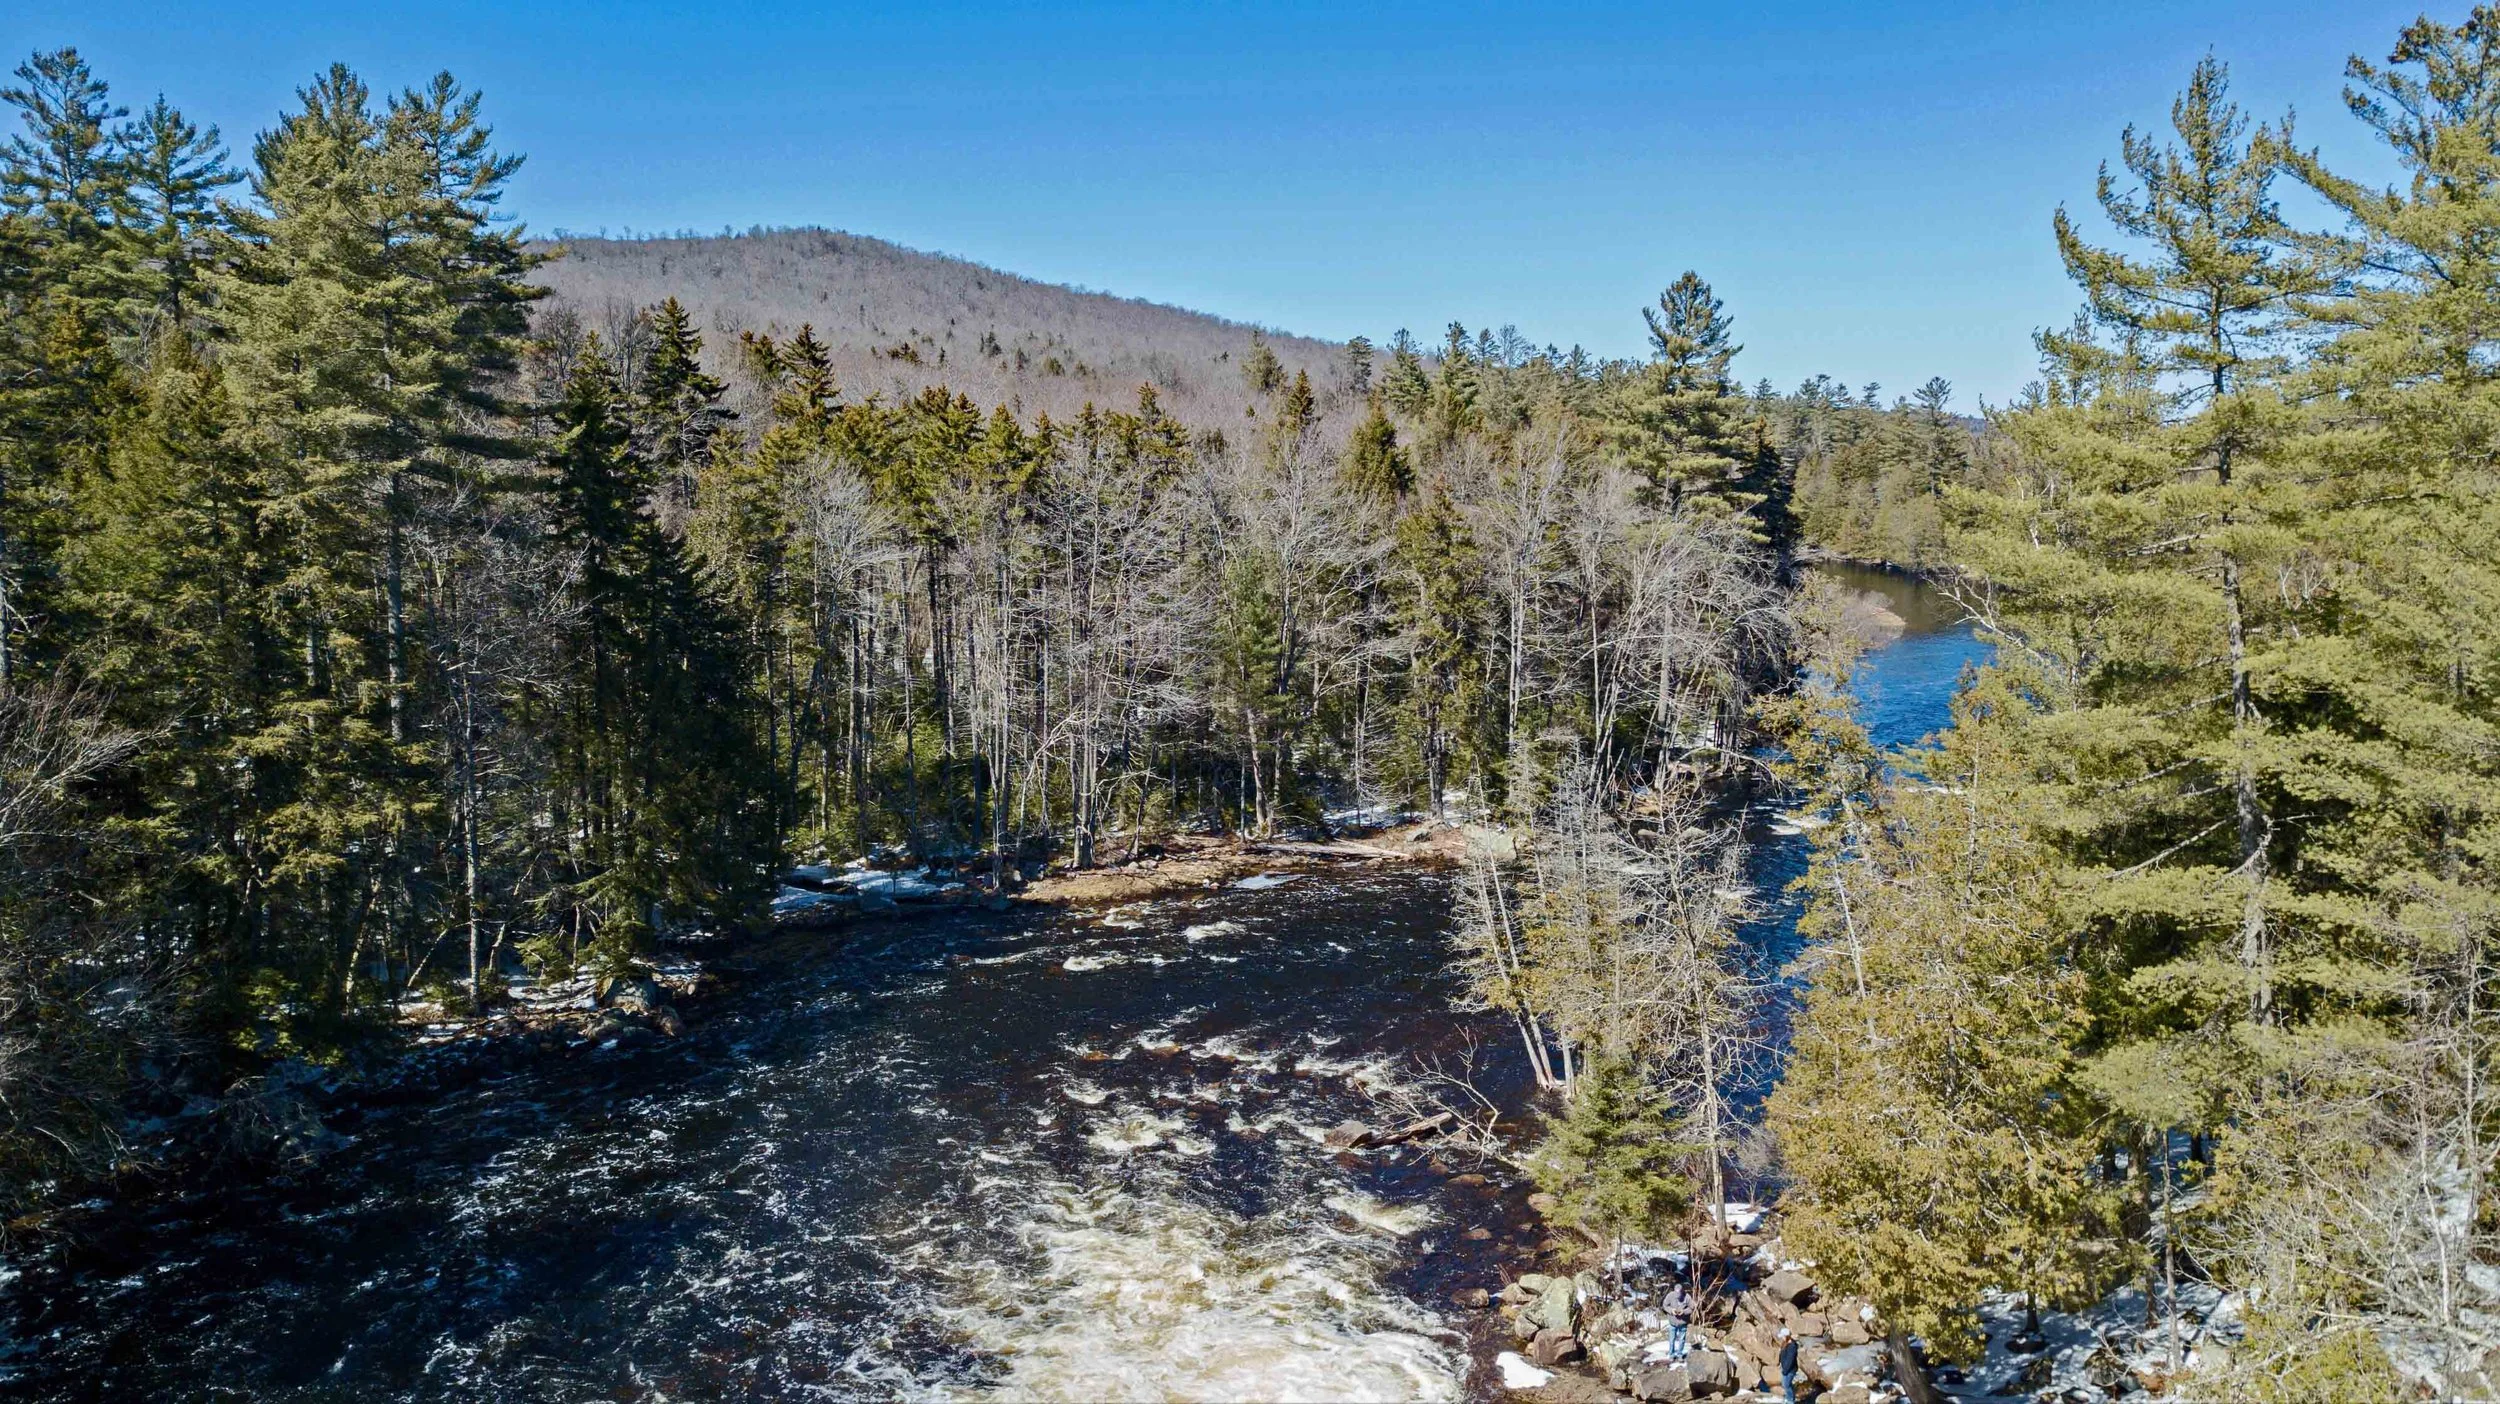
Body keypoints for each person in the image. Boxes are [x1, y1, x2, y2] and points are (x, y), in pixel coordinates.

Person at [1661, 1282, 1694, 1362]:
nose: (1678, 1297)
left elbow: (1692, 1307)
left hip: (1683, 1323)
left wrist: (1684, 1311)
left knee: (1681, 1340)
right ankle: (1671, 1354)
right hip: (1672, 1322)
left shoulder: (1687, 1297)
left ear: (1682, 1291)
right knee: (1671, 1339)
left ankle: (1680, 1355)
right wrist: (1671, 1311)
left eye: (1679, 1296)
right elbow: (1664, 1305)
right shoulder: (1670, 1295)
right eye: (1676, 1295)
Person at [1776, 1325, 1801, 1404]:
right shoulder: (1785, 1343)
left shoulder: (1792, 1347)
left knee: (1786, 1384)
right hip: (1785, 1368)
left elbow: (1790, 1360)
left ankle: (1790, 1400)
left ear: (1787, 1336)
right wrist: (1780, 1363)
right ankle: (1790, 1397)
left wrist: (1785, 1370)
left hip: (1790, 1369)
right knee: (1786, 1384)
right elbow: (1782, 1355)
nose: (1782, 1338)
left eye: (1783, 1336)